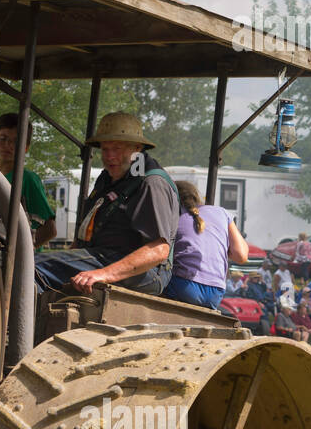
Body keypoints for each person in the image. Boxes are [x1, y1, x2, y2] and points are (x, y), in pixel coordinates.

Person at [33, 112, 179, 295]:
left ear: (137, 148)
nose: (109, 156)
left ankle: (15, 322)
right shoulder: (107, 178)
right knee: (28, 264)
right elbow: (83, 238)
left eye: (117, 149)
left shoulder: (151, 183)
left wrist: (103, 274)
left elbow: (158, 250)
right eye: (105, 149)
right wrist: (68, 257)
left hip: (147, 273)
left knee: (32, 266)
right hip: (102, 257)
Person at [163, 181, 250, 310]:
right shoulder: (222, 213)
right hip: (215, 293)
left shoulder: (174, 217)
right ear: (197, 196)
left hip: (183, 287)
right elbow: (241, 256)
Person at [0, 113, 56, 249]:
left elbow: (49, 230)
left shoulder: (27, 179)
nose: (8, 145)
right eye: (3, 139)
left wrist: (20, 254)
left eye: (15, 142)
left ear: (25, 148)